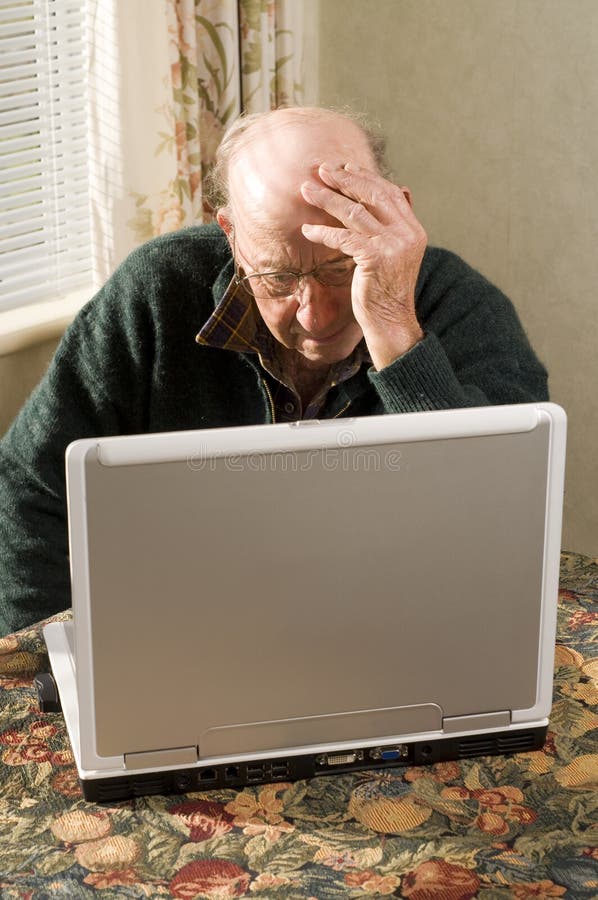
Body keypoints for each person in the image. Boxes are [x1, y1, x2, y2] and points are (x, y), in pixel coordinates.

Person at [0, 106, 548, 635]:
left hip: (397, 629)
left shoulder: (464, 306)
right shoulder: (157, 290)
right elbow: (31, 490)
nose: (315, 314)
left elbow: (501, 524)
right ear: (232, 235)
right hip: (181, 625)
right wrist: (46, 656)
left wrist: (394, 328)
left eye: (340, 267)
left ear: (396, 214)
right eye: (279, 277)